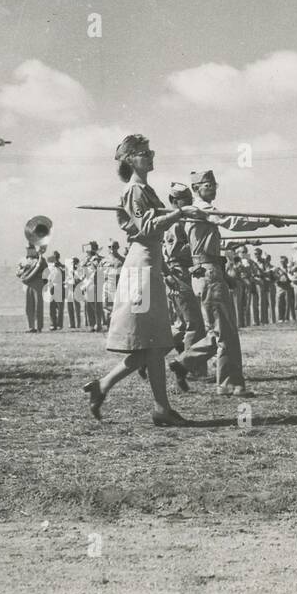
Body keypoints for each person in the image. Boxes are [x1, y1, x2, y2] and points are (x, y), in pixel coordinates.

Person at [82, 134, 199, 426]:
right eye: (145, 152)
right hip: (140, 269)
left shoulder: (144, 188)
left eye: (151, 151)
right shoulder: (134, 190)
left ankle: (114, 389)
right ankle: (157, 407)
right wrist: (180, 212)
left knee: (154, 343)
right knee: (150, 343)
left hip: (150, 264)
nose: (151, 155)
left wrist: (175, 215)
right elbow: (146, 227)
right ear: (130, 159)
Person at [179, 169, 282, 396]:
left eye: (215, 184)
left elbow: (224, 235)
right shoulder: (202, 208)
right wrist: (266, 221)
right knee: (226, 331)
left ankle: (185, 363)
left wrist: (257, 231)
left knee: (217, 331)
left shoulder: (200, 211)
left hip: (207, 272)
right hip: (209, 273)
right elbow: (231, 220)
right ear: (196, 189)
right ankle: (228, 383)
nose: (213, 188)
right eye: (208, 185)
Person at [162, 181, 212, 387]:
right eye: (185, 201)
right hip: (179, 273)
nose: (189, 204)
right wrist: (197, 250)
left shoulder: (181, 221)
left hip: (183, 273)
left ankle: (146, 360)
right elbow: (174, 252)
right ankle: (192, 370)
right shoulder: (175, 223)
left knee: (182, 326)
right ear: (174, 201)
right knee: (194, 325)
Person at [16, 244, 46, 332]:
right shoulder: (23, 260)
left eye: (31, 249)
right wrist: (24, 269)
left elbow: (46, 272)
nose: (29, 250)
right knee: (28, 307)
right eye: (28, 249)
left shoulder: (40, 260)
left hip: (37, 283)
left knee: (38, 306)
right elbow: (17, 272)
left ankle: (39, 327)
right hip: (27, 284)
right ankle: (31, 327)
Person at [82, 242, 104, 331]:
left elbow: (95, 272)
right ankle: (91, 324)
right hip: (87, 284)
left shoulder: (96, 259)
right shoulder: (86, 260)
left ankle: (98, 324)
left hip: (94, 284)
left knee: (96, 305)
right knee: (88, 305)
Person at [44, 249, 66, 330]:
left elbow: (65, 276)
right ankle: (53, 323)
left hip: (60, 286)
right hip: (52, 287)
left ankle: (59, 324)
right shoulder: (50, 267)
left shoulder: (62, 267)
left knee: (60, 308)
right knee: (52, 307)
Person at [67, 258, 84, 330]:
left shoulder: (79, 271)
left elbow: (81, 279)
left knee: (77, 308)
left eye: (74, 262)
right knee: (69, 307)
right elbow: (67, 279)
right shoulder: (70, 271)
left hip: (76, 289)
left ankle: (78, 323)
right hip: (70, 289)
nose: (73, 264)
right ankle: (72, 323)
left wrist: (76, 280)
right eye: (72, 263)